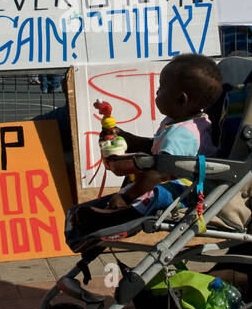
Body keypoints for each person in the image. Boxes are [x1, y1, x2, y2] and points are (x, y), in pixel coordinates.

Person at [64, 54, 222, 251]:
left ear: (181, 100)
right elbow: (155, 148)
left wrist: (127, 197)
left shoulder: (183, 134)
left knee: (151, 190)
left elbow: (160, 171)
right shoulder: (181, 122)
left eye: (162, 88)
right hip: (177, 180)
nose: (157, 91)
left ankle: (118, 216)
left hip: (188, 192)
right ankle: (110, 213)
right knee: (140, 182)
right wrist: (129, 138)